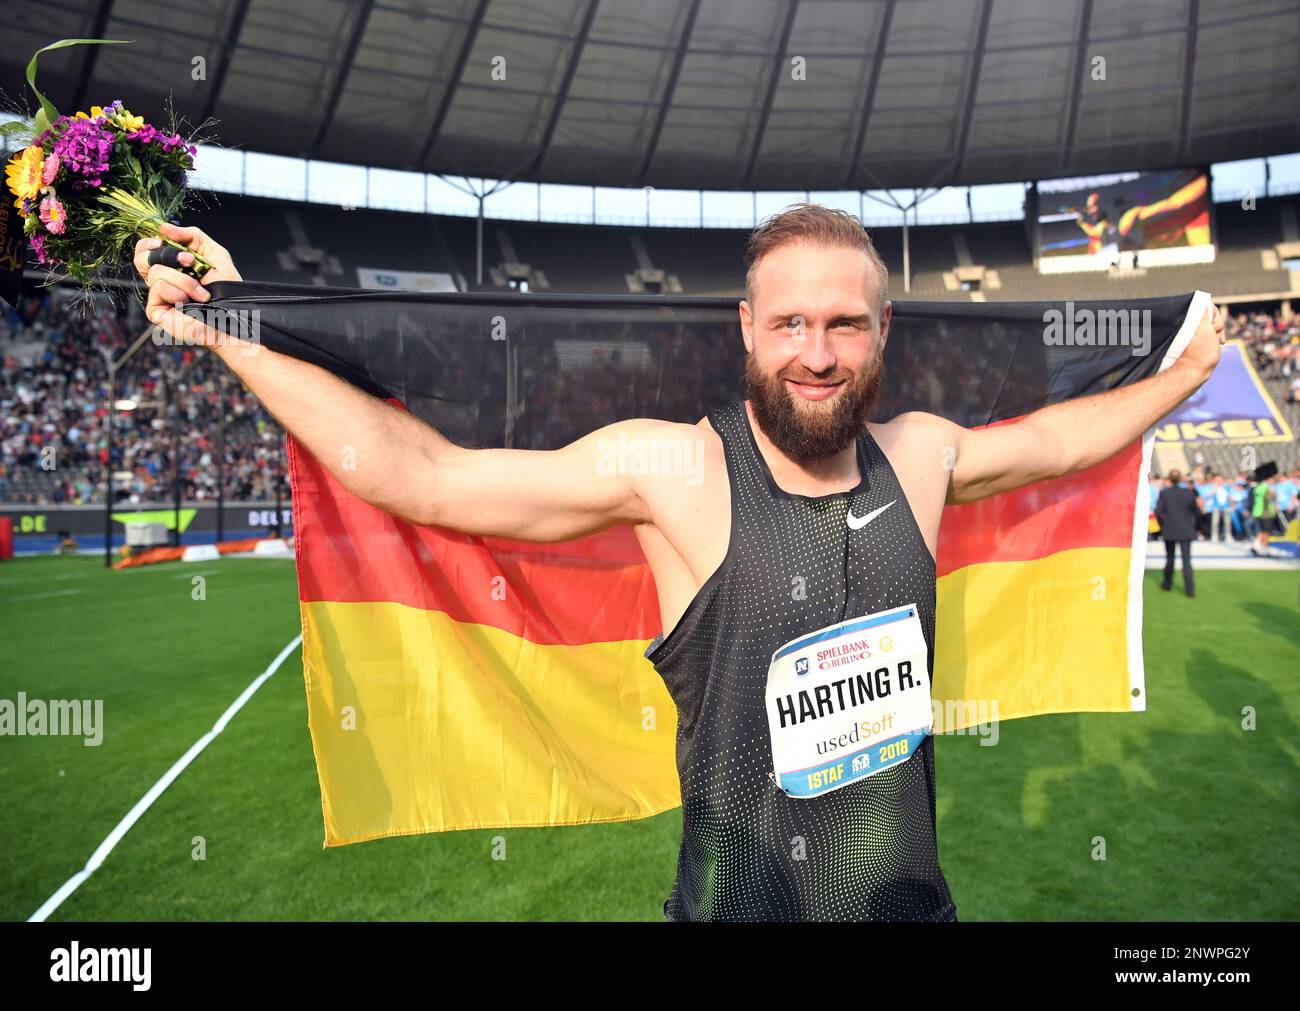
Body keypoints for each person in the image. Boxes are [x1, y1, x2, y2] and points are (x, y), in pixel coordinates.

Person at [134, 203, 1226, 923]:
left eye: (844, 325)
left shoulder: (924, 455)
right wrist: (241, 325)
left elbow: (1065, 439)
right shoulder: (671, 471)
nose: (816, 352)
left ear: (881, 332)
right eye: (790, 322)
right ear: (745, 328)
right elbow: (423, 476)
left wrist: (1186, 376)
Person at [1155, 470, 1201, 596]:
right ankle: (1190, 589)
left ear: (1169, 479)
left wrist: (1163, 525)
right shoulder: (1188, 493)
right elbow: (1197, 512)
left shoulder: (1165, 493)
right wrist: (1197, 527)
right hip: (1186, 530)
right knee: (1186, 560)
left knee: (1170, 558)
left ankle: (1167, 584)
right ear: (1180, 479)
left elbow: (1158, 512)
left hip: (1170, 530)